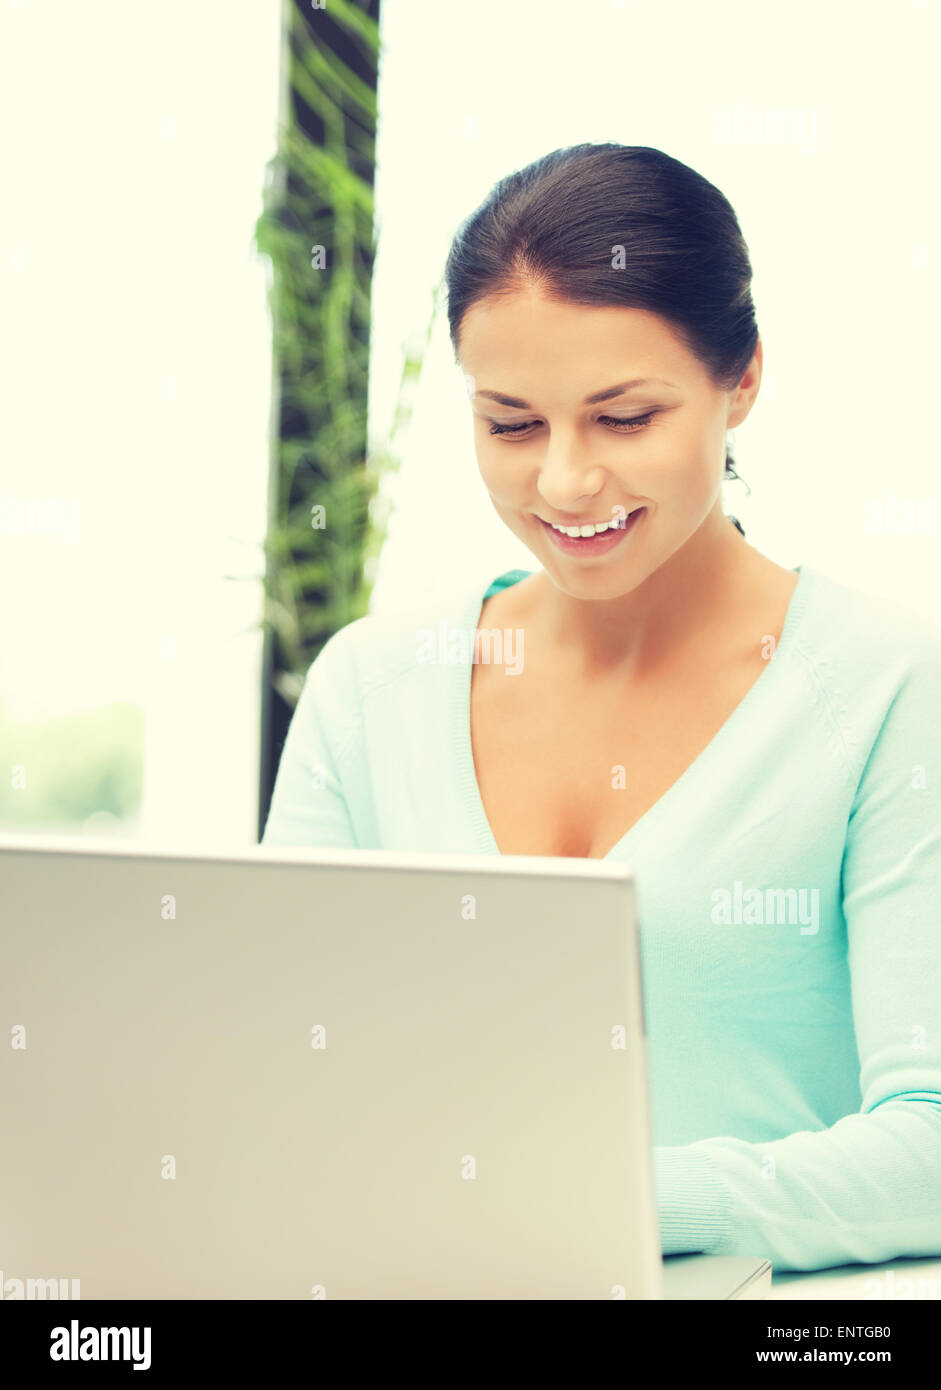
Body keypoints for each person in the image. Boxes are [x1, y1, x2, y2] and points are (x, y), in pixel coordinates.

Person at [263, 143, 941, 1273]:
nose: (565, 483)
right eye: (511, 424)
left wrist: (600, 1193)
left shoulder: (887, 689)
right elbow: (276, 1073)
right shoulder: (369, 689)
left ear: (743, 380)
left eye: (623, 418)